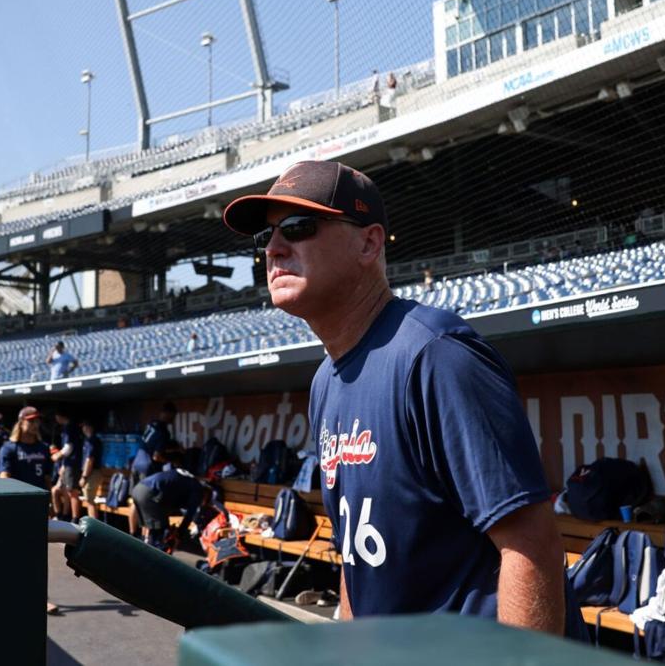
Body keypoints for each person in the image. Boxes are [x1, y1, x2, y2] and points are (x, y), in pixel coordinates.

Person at [222, 160, 576, 636]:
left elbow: (531, 545)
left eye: (298, 227)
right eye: (266, 237)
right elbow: (357, 559)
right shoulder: (325, 380)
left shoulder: (435, 355)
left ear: (368, 243)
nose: (275, 248)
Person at [0, 406, 61, 617]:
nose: (34, 424)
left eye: (36, 421)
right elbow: (3, 477)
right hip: (16, 507)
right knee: (12, 554)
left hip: (38, 508)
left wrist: (50, 503)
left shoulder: (42, 448)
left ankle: (43, 598)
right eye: (30, 421)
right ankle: (8, 594)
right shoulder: (9, 447)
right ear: (21, 422)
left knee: (39, 555)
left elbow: (48, 480)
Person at [130, 448, 205, 551]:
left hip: (139, 489)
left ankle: (145, 552)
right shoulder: (198, 491)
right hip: (149, 493)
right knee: (159, 536)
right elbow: (189, 515)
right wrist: (180, 533)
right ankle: (154, 560)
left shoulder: (187, 477)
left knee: (154, 530)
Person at [129, 401, 179, 536]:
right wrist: (170, 460)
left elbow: (150, 444)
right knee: (146, 501)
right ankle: (145, 537)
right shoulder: (163, 431)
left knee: (135, 500)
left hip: (137, 462)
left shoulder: (152, 424)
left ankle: (132, 534)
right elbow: (157, 456)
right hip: (148, 467)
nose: (173, 419)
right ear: (168, 414)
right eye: (172, 416)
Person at [50, 410, 83, 523]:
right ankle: (63, 516)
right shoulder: (68, 427)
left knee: (72, 491)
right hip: (68, 464)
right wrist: (63, 465)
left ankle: (75, 519)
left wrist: (57, 455)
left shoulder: (69, 427)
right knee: (65, 491)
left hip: (72, 464)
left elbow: (69, 447)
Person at [78, 420, 104, 520]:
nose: (83, 429)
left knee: (89, 500)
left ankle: (94, 526)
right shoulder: (87, 440)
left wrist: (84, 477)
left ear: (90, 427)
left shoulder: (93, 441)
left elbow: (89, 460)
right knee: (89, 500)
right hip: (90, 473)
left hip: (92, 473)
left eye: (85, 426)